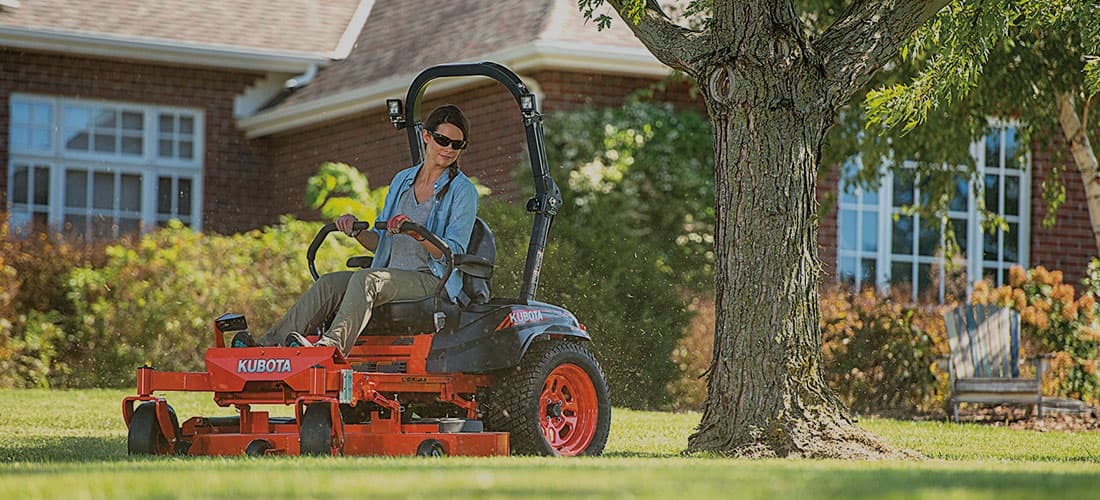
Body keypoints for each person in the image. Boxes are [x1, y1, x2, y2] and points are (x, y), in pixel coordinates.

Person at [234, 104, 478, 355]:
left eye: (456, 145)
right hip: (389, 275)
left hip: (432, 280)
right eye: (442, 140)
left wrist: (416, 233)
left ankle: (330, 348)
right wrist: (355, 231)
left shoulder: (463, 191)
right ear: (427, 136)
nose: (449, 149)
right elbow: (380, 241)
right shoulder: (402, 181)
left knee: (367, 278)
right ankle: (265, 347)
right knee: (330, 283)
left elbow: (452, 253)